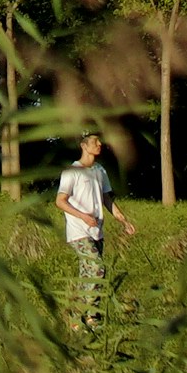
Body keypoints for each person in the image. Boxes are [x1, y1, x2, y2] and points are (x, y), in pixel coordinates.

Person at [55, 133, 135, 325]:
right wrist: (82, 216)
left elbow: (107, 199)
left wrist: (123, 220)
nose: (100, 144)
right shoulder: (72, 171)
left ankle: (90, 317)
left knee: (87, 275)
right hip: (78, 232)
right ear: (84, 145)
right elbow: (60, 201)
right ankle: (78, 316)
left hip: (97, 231)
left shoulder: (100, 170)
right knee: (98, 269)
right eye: (95, 142)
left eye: (100, 141)